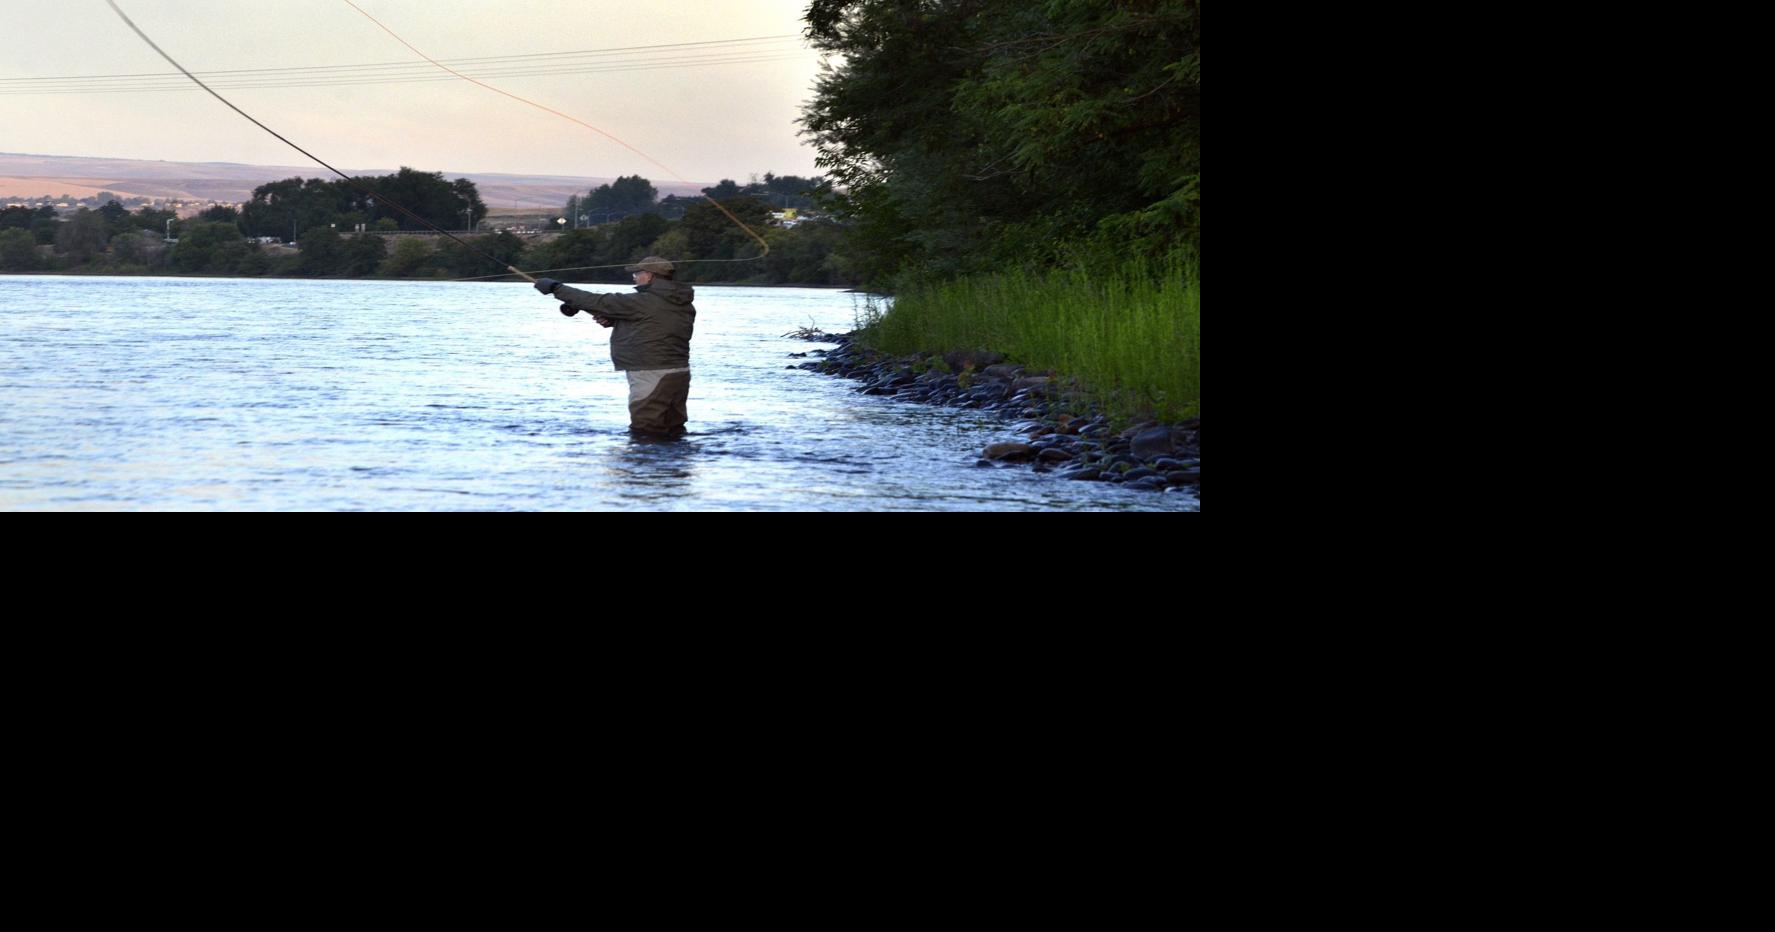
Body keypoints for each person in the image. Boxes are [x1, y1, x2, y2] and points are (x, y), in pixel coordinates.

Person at [534, 257, 695, 436]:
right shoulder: (681, 302)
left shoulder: (643, 301)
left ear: (649, 276)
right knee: (673, 429)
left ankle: (643, 463)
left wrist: (556, 288)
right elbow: (656, 324)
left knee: (646, 430)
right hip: (679, 373)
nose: (634, 278)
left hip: (650, 373)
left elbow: (597, 301)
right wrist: (616, 321)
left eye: (637, 274)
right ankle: (672, 463)